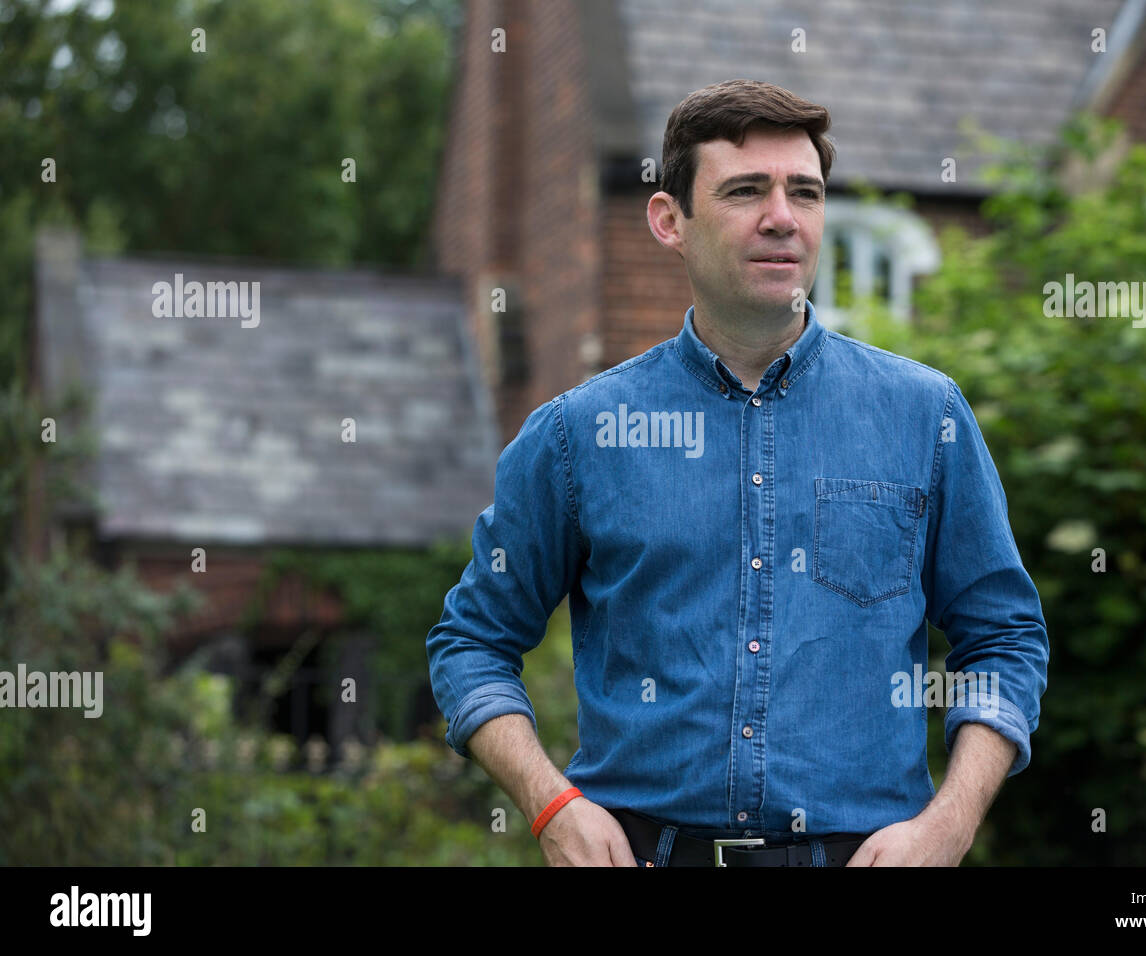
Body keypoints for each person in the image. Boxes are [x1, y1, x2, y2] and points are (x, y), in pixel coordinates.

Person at [426, 78, 1049, 867]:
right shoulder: (578, 436)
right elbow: (471, 642)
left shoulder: (926, 417)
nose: (782, 217)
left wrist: (949, 825)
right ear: (669, 220)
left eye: (806, 192)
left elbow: (1004, 637)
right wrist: (551, 805)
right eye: (745, 190)